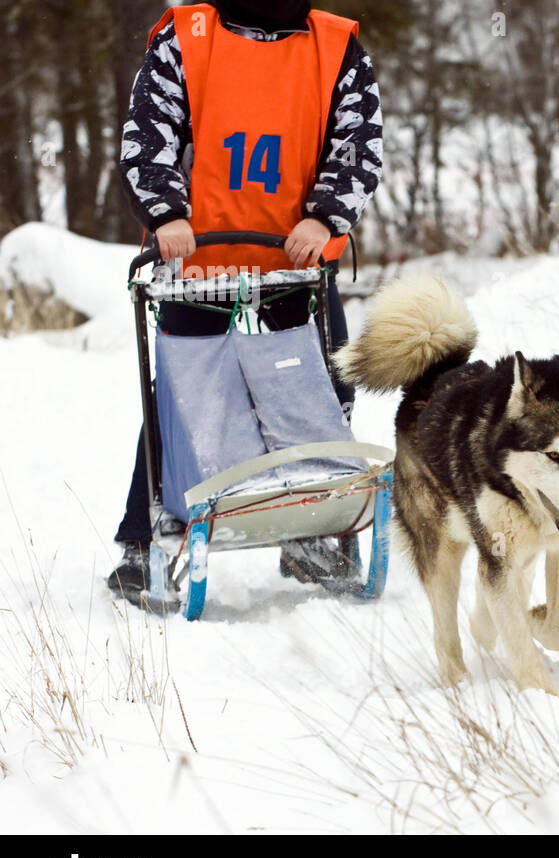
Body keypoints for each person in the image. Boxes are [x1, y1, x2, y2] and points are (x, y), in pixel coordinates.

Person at [108, 0, 384, 607]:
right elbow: (146, 133)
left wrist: (324, 217)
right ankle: (142, 537)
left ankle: (312, 527)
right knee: (181, 396)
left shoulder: (334, 46)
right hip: (198, 256)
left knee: (322, 387)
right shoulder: (188, 36)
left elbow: (358, 145)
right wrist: (165, 212)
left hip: (297, 258)